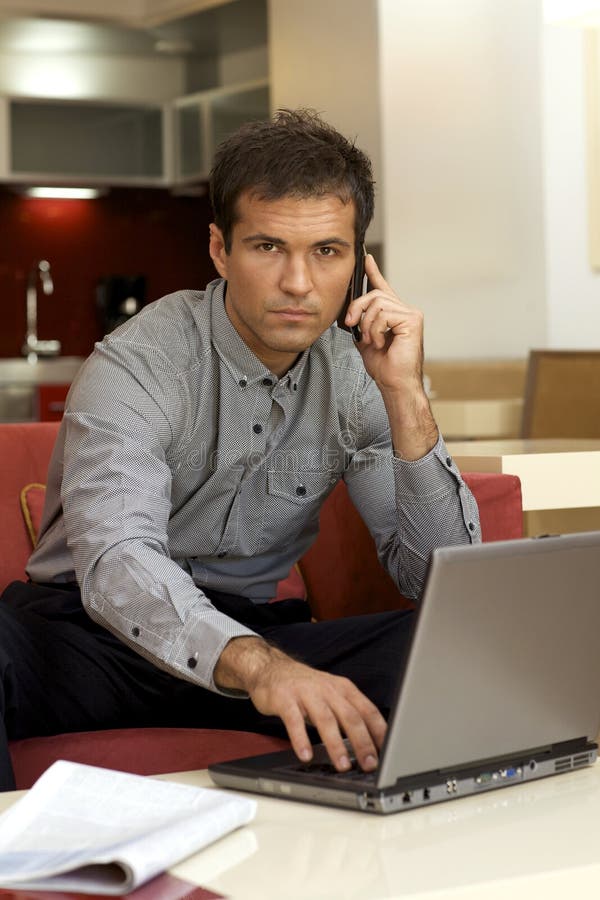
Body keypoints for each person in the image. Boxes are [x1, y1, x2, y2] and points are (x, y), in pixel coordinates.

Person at [0, 109, 479, 791]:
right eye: (268, 247)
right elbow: (116, 562)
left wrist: (404, 395)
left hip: (258, 630)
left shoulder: (360, 372)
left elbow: (436, 579)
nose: (298, 283)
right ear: (221, 251)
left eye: (326, 252)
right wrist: (259, 666)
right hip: (89, 636)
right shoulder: (138, 363)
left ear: (359, 266)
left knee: (462, 651)